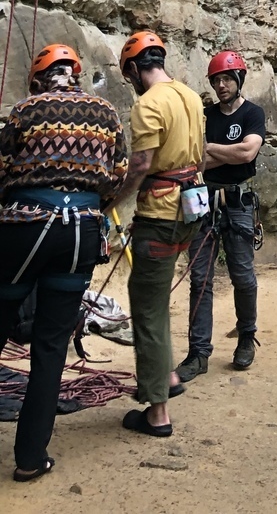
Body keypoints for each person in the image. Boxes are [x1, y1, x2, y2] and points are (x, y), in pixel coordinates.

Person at [0, 43, 127, 481]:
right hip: (82, 232)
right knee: (51, 346)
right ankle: (31, 458)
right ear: (74, 74)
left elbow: (0, 168)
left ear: (39, 77)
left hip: (25, 227)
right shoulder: (107, 113)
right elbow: (118, 174)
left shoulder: (24, 112)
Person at [113, 31, 204, 439]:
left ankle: (157, 414)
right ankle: (166, 374)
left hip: (161, 212)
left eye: (128, 74)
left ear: (133, 68)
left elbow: (140, 167)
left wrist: (108, 202)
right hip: (191, 208)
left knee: (147, 311)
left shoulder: (147, 105)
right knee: (158, 295)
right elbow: (199, 154)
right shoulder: (190, 96)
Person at [177, 50, 264, 380]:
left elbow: (248, 152)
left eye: (227, 79)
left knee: (243, 275)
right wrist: (224, 154)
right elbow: (194, 160)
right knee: (199, 278)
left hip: (237, 200)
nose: (221, 85)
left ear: (239, 79)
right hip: (200, 197)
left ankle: (246, 337)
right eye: (216, 80)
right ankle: (198, 353)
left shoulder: (253, 114)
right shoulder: (204, 114)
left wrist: (212, 150)